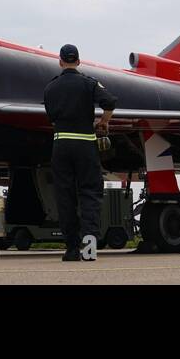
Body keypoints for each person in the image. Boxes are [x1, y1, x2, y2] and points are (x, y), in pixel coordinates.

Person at [43, 43, 117, 262]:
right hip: (86, 145)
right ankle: (90, 246)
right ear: (78, 61)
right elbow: (110, 102)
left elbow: (50, 116)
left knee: (64, 197)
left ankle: (71, 249)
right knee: (90, 195)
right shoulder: (89, 83)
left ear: (60, 61)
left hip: (61, 145)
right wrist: (103, 121)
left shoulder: (51, 87)